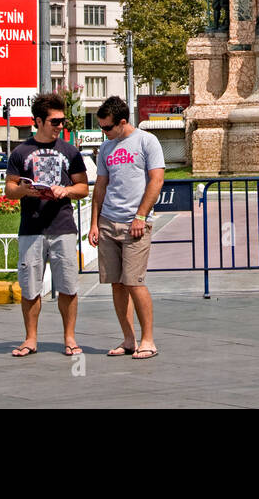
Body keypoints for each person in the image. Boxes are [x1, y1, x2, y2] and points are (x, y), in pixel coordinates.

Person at [6, 93, 89, 357]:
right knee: (30, 286)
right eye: (55, 122)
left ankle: (70, 337)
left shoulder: (70, 151)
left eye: (62, 121)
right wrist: (24, 190)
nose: (60, 126)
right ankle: (30, 339)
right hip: (31, 228)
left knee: (68, 285)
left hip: (62, 225)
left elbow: (83, 187)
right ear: (39, 121)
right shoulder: (20, 152)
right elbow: (9, 189)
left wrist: (66, 191)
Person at [88, 96, 166, 360]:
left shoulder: (147, 141)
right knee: (117, 284)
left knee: (135, 282)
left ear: (122, 122)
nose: (104, 132)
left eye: (107, 127)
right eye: (101, 127)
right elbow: (100, 186)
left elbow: (156, 180)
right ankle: (129, 339)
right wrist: (94, 223)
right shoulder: (106, 148)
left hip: (135, 223)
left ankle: (148, 340)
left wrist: (141, 216)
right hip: (109, 221)